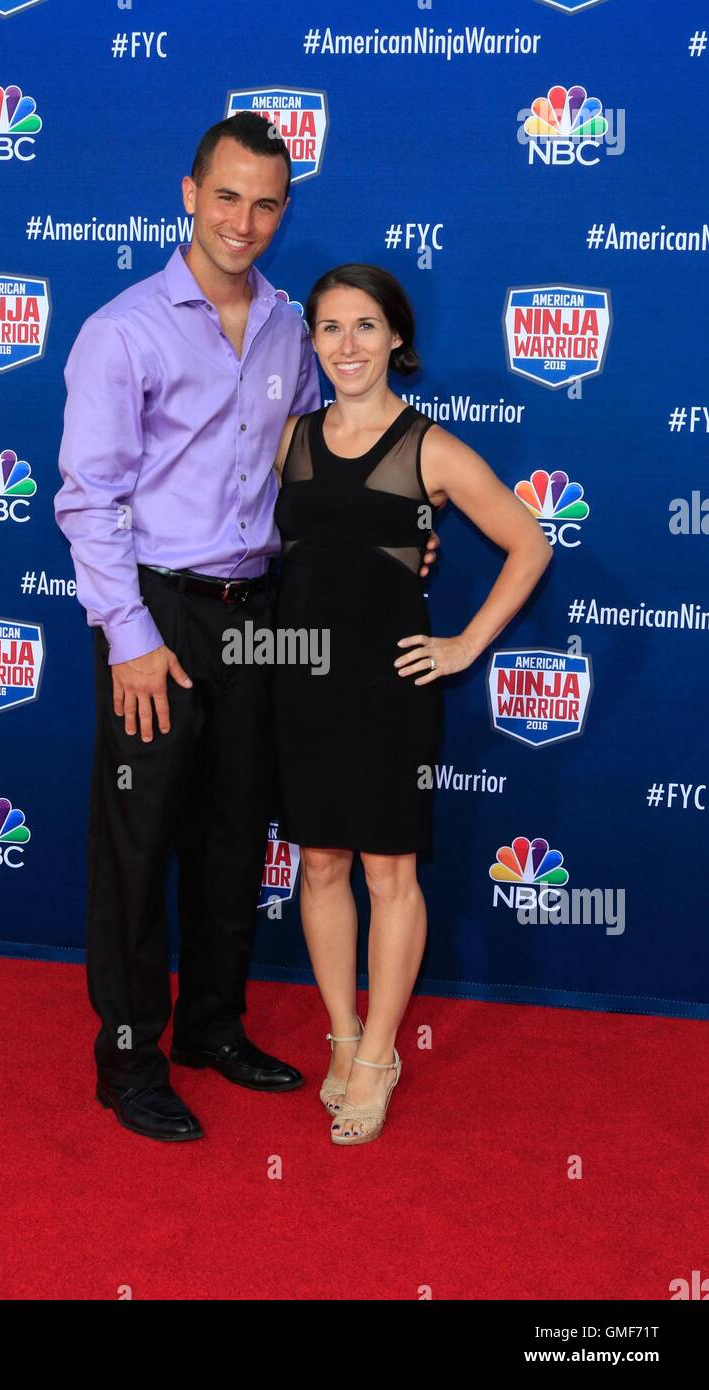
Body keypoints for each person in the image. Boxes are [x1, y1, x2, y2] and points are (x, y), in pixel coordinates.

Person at [54, 113, 441, 1143]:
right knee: (137, 848)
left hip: (261, 618)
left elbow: (322, 470)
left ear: (284, 208)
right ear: (189, 192)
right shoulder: (122, 329)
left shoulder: (287, 326)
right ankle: (130, 1055)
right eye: (226, 195)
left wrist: (404, 540)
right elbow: (87, 501)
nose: (244, 219)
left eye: (267, 201)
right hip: (158, 615)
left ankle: (211, 1028)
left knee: (236, 836)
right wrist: (130, 637)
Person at [272, 263, 552, 1146]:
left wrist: (468, 644)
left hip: (392, 690)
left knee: (389, 872)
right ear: (309, 340)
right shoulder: (287, 439)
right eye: (329, 329)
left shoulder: (430, 447)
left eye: (364, 327)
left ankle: (381, 1055)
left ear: (396, 336)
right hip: (301, 682)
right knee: (320, 863)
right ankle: (343, 1035)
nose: (346, 345)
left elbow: (528, 543)